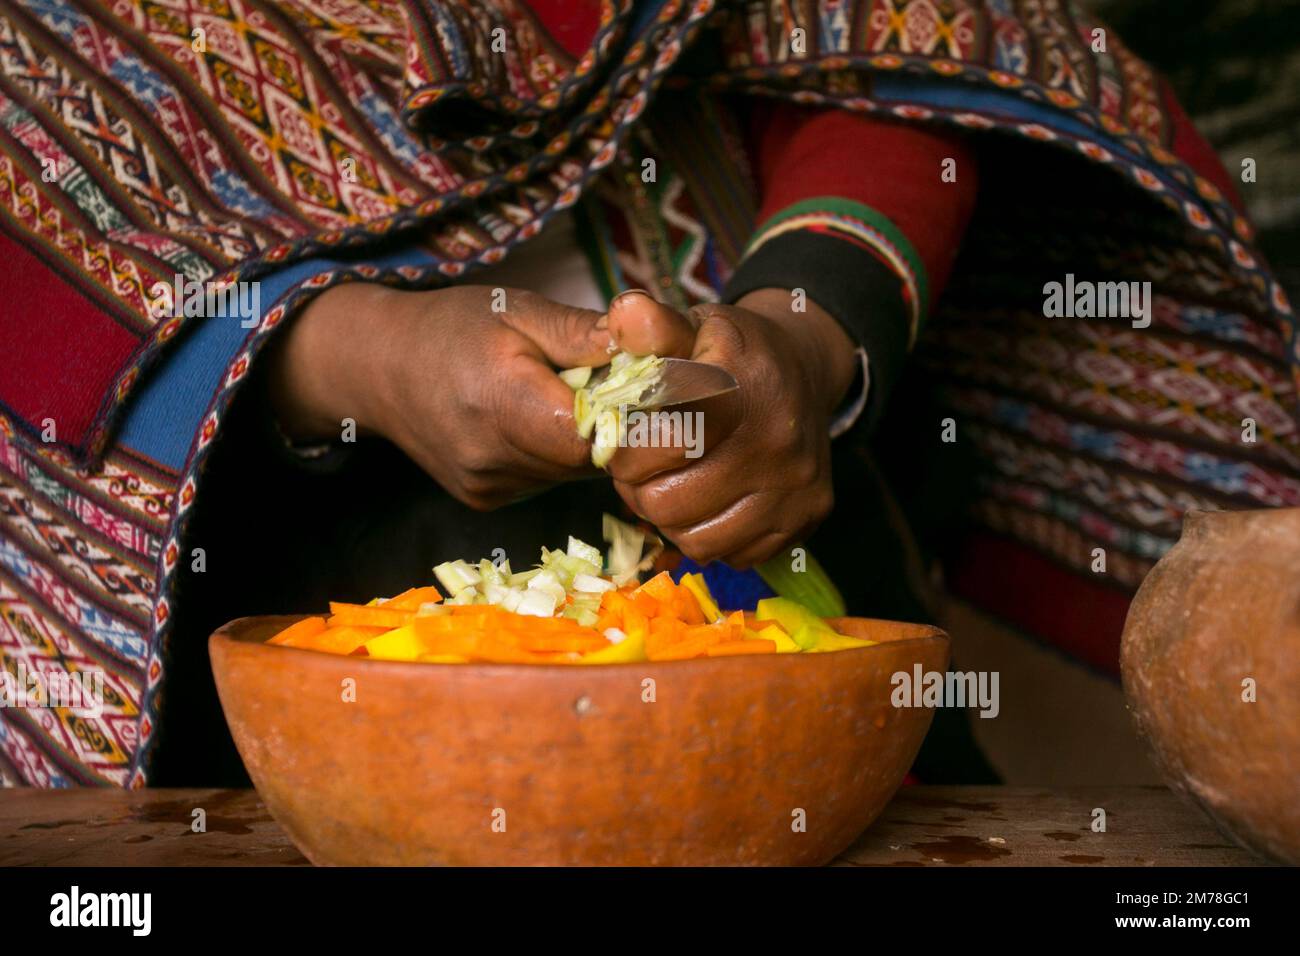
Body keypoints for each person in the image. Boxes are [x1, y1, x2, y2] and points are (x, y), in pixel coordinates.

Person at [0, 1, 1293, 787]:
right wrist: (356, 361)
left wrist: (805, 329)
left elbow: (888, 39)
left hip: (777, 502)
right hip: (279, 598)